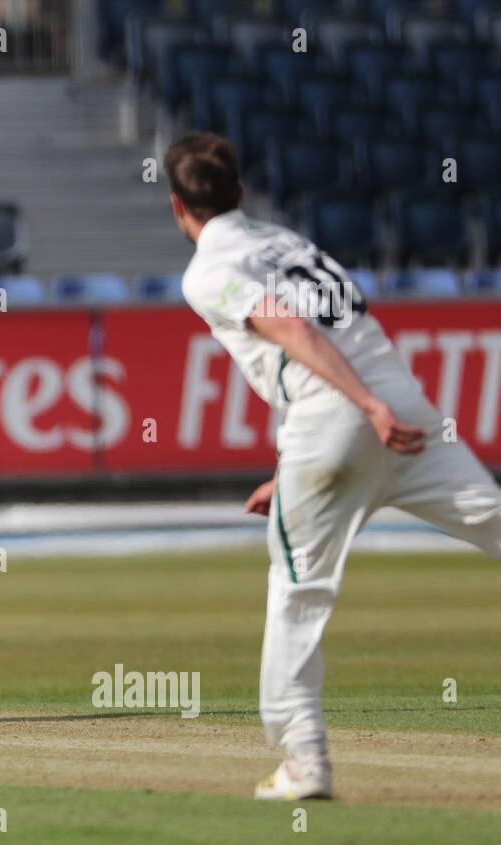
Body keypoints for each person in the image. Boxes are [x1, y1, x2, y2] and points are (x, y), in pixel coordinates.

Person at [166, 132, 501, 799]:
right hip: (400, 402)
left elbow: (292, 332)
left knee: (297, 591)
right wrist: (362, 417)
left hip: (348, 411)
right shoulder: (288, 241)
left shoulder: (206, 270)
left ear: (180, 209)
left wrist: (361, 410)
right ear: (237, 192)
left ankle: (304, 763)